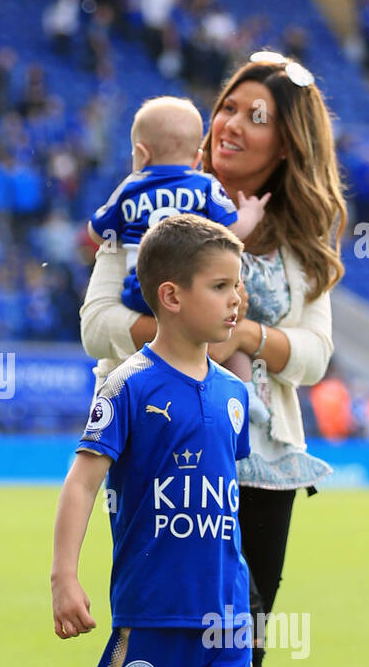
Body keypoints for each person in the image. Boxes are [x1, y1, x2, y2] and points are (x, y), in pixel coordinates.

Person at [80, 51, 345, 667]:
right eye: (228, 106)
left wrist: (245, 341)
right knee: (179, 646)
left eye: (254, 117)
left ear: (286, 145)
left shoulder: (300, 239)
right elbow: (95, 322)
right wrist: (181, 338)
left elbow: (313, 353)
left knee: (240, 653)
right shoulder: (162, 214)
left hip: (262, 467)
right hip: (164, 460)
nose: (229, 123)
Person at [23, 215, 320, 667]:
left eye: (240, 287)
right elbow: (80, 484)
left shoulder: (230, 393)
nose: (236, 302)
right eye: (221, 287)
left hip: (225, 608)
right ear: (171, 296)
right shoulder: (128, 387)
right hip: (158, 610)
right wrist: (66, 576)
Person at [87, 95, 269, 422]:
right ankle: (246, 392)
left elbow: (97, 230)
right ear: (198, 157)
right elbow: (234, 231)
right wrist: (251, 212)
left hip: (140, 294)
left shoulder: (129, 188)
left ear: (141, 153)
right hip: (193, 294)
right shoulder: (203, 186)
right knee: (232, 327)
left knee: (156, 346)